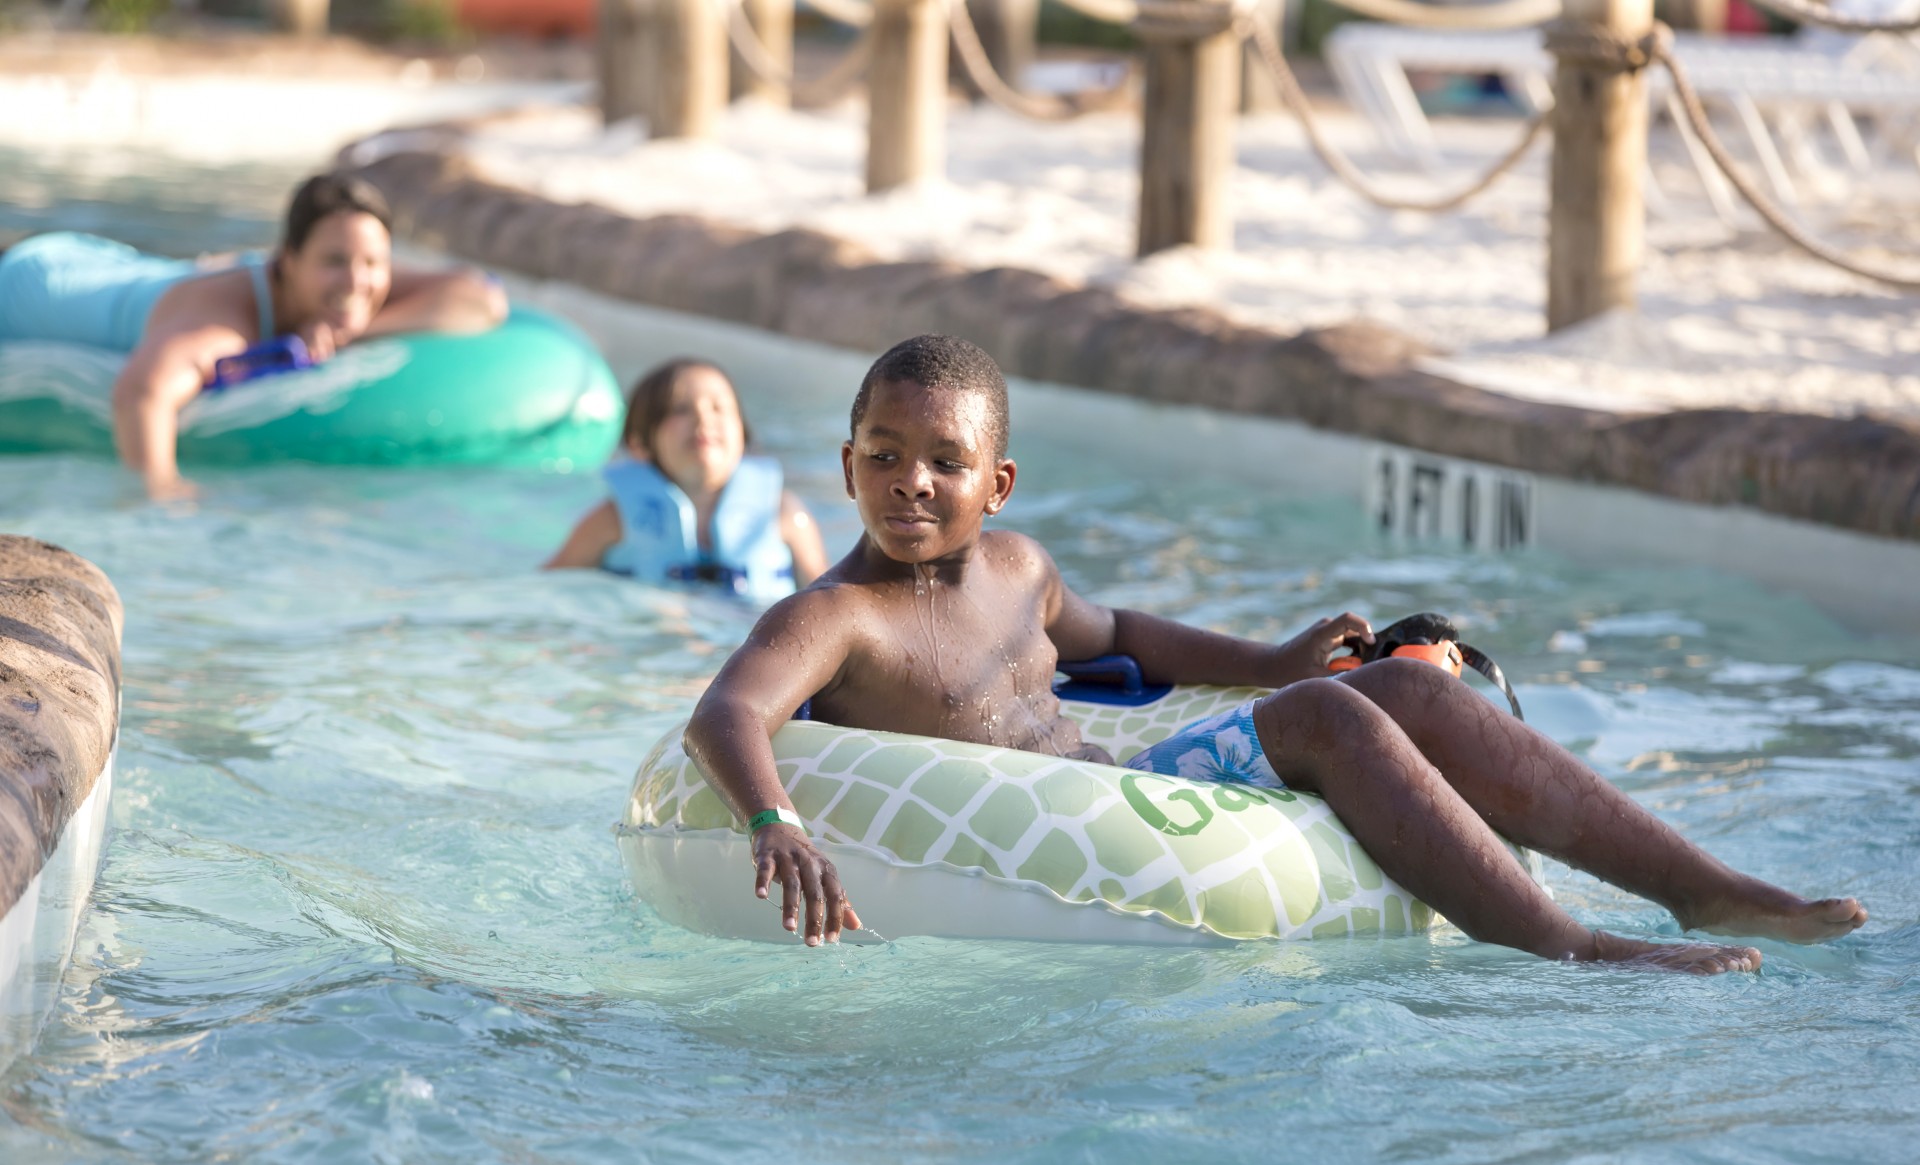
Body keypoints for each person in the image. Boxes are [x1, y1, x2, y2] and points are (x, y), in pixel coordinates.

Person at [682, 334, 1870, 970]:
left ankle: (1699, 885)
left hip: (1129, 798)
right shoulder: (833, 616)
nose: (911, 482)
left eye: (943, 461)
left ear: (997, 485)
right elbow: (728, 712)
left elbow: (1122, 641)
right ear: (845, 467)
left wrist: (1272, 656)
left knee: (1399, 682)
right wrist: (773, 819)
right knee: (1336, 720)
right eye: (883, 455)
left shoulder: (1019, 569)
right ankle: (1574, 947)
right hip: (1042, 840)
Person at [0, 174, 507, 500]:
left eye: (374, 262)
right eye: (334, 262)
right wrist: (162, 493)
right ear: (287, 259)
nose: (358, 282)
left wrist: (351, 332)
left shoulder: (353, 285)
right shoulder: (226, 321)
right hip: (35, 285)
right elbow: (141, 392)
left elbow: (482, 299)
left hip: (119, 265)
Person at [544, 358, 829, 602]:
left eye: (719, 408)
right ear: (639, 443)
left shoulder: (784, 514)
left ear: (743, 433)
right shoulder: (611, 520)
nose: (704, 419)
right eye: (681, 409)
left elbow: (828, 603)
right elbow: (546, 591)